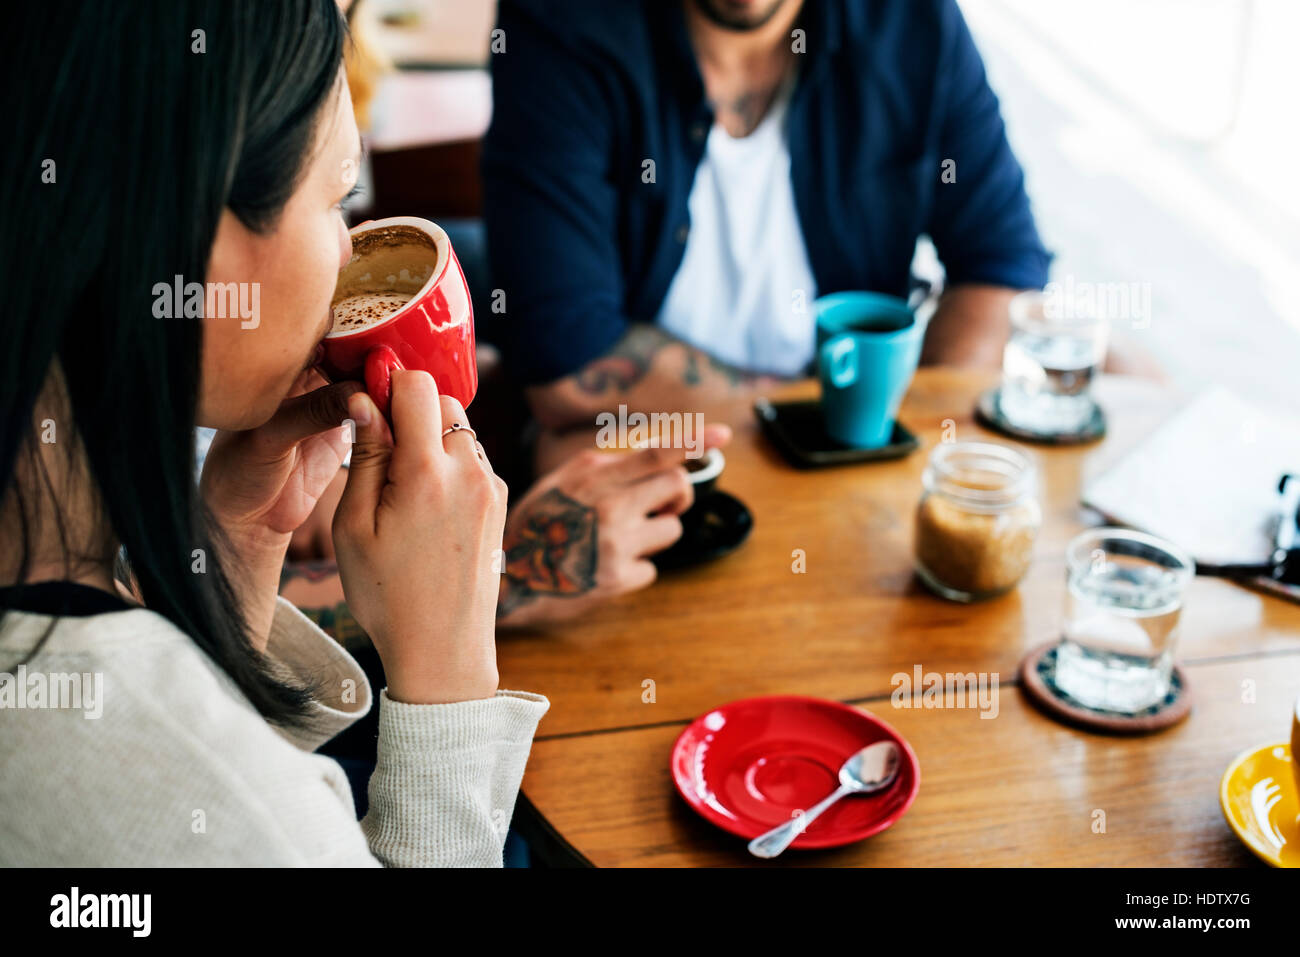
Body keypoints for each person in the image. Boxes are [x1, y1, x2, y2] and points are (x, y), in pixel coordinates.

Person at [0, 0, 543, 866]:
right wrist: (447, 689)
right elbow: (224, 804)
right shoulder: (191, 786)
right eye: (338, 196)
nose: (347, 249)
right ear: (180, 239)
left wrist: (236, 555)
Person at [483, 0, 1160, 468]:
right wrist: (830, 427)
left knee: (1131, 367)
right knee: (569, 452)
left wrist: (897, 433)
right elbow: (567, 368)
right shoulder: (559, 25)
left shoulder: (913, 23)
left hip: (852, 420)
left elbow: (1000, 261)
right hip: (675, 432)